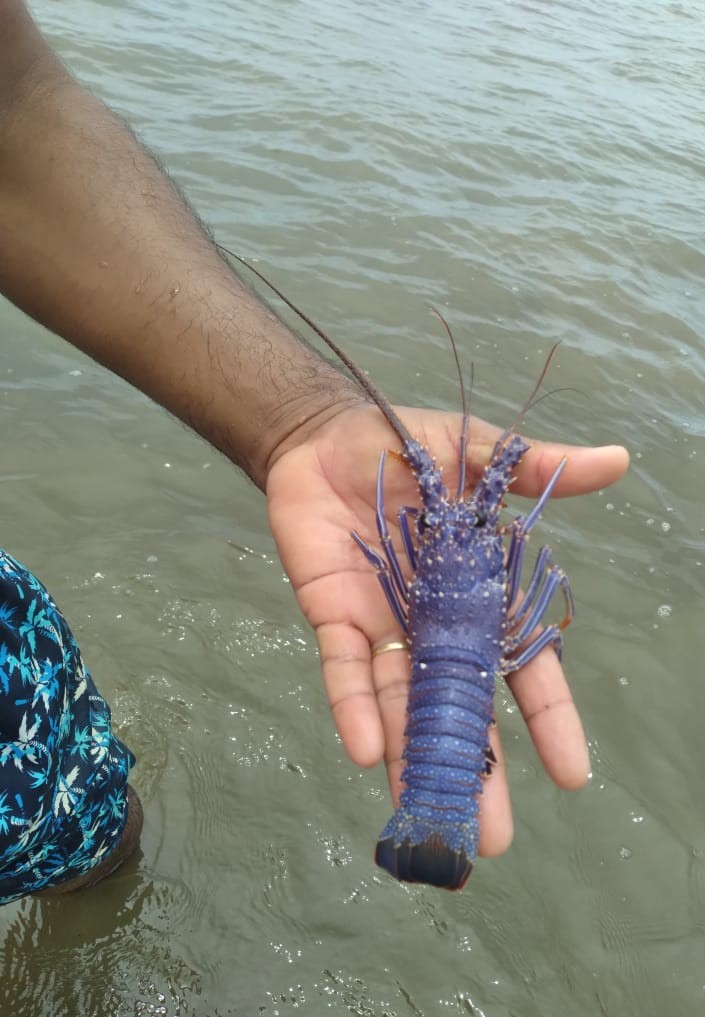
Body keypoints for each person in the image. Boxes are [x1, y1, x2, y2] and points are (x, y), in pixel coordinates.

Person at [0, 1, 628, 904]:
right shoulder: (496, 575)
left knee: (75, 835)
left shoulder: (428, 565)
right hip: (448, 694)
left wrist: (303, 419)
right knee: (78, 830)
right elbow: (536, 591)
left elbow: (10, 101)